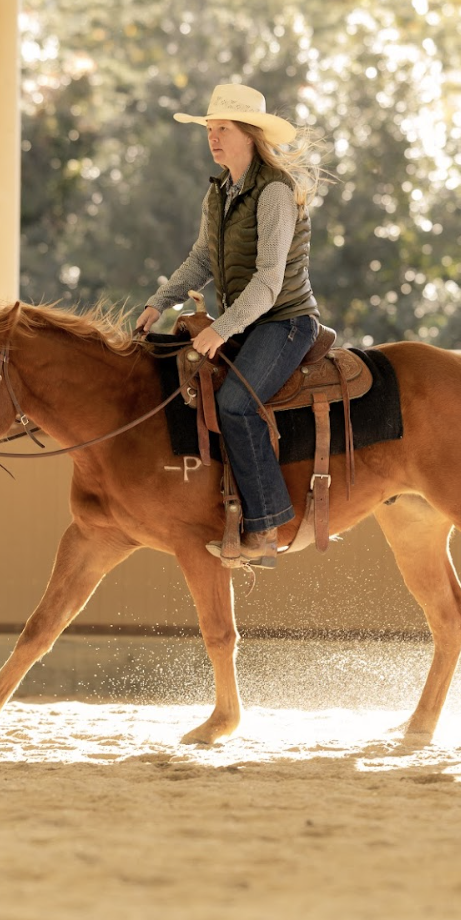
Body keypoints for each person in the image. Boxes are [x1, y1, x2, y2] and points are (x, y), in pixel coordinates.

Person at [135, 83, 322, 568]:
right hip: (248, 321)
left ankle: (265, 527)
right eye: (209, 129)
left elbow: (269, 281)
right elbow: (201, 259)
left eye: (223, 129)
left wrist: (221, 329)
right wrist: (160, 303)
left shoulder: (275, 191)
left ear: (249, 135)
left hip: (285, 321)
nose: (213, 138)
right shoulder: (218, 191)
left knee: (235, 404)